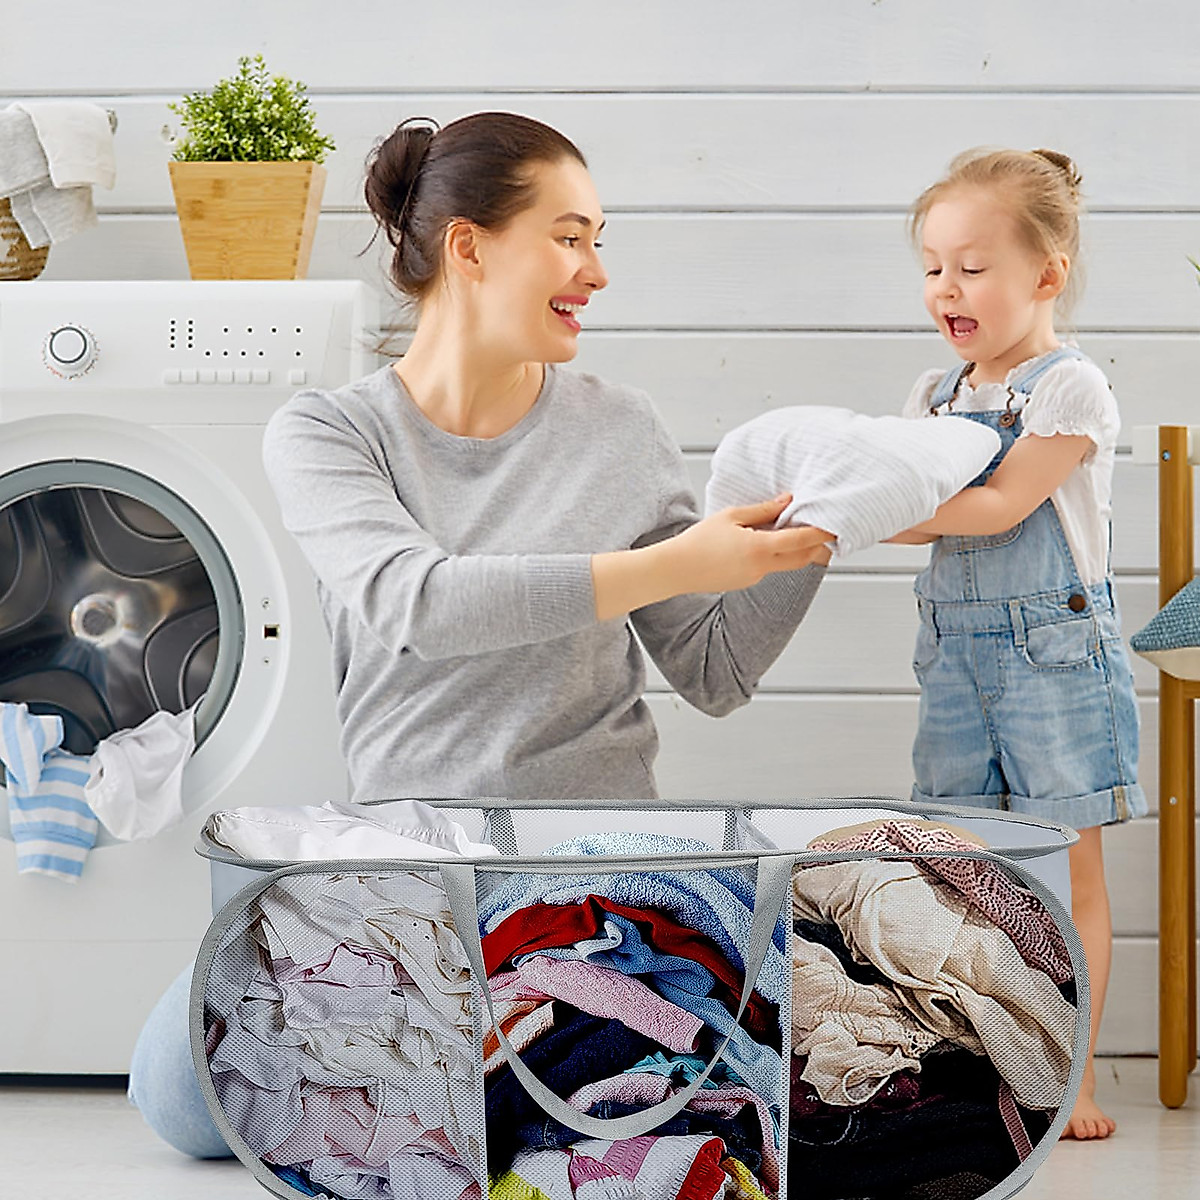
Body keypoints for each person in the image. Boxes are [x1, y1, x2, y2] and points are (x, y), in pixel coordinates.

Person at [127, 110, 831, 1157]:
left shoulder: (619, 427)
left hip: (604, 867)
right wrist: (676, 562)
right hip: (414, 864)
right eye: (569, 235)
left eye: (599, 240)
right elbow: (416, 604)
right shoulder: (332, 433)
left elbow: (715, 668)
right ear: (468, 246)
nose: (594, 271)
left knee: (607, 1095)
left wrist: (821, 531)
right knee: (178, 1101)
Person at [890, 147, 1146, 1141]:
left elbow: (996, 507)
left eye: (972, 265)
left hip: (1053, 664)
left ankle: (1070, 1077)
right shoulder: (934, 393)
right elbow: (907, 490)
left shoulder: (1070, 389)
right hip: (956, 659)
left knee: (1068, 873)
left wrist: (871, 509)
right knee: (957, 868)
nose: (946, 288)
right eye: (932, 265)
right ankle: (984, 1069)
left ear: (1048, 274)